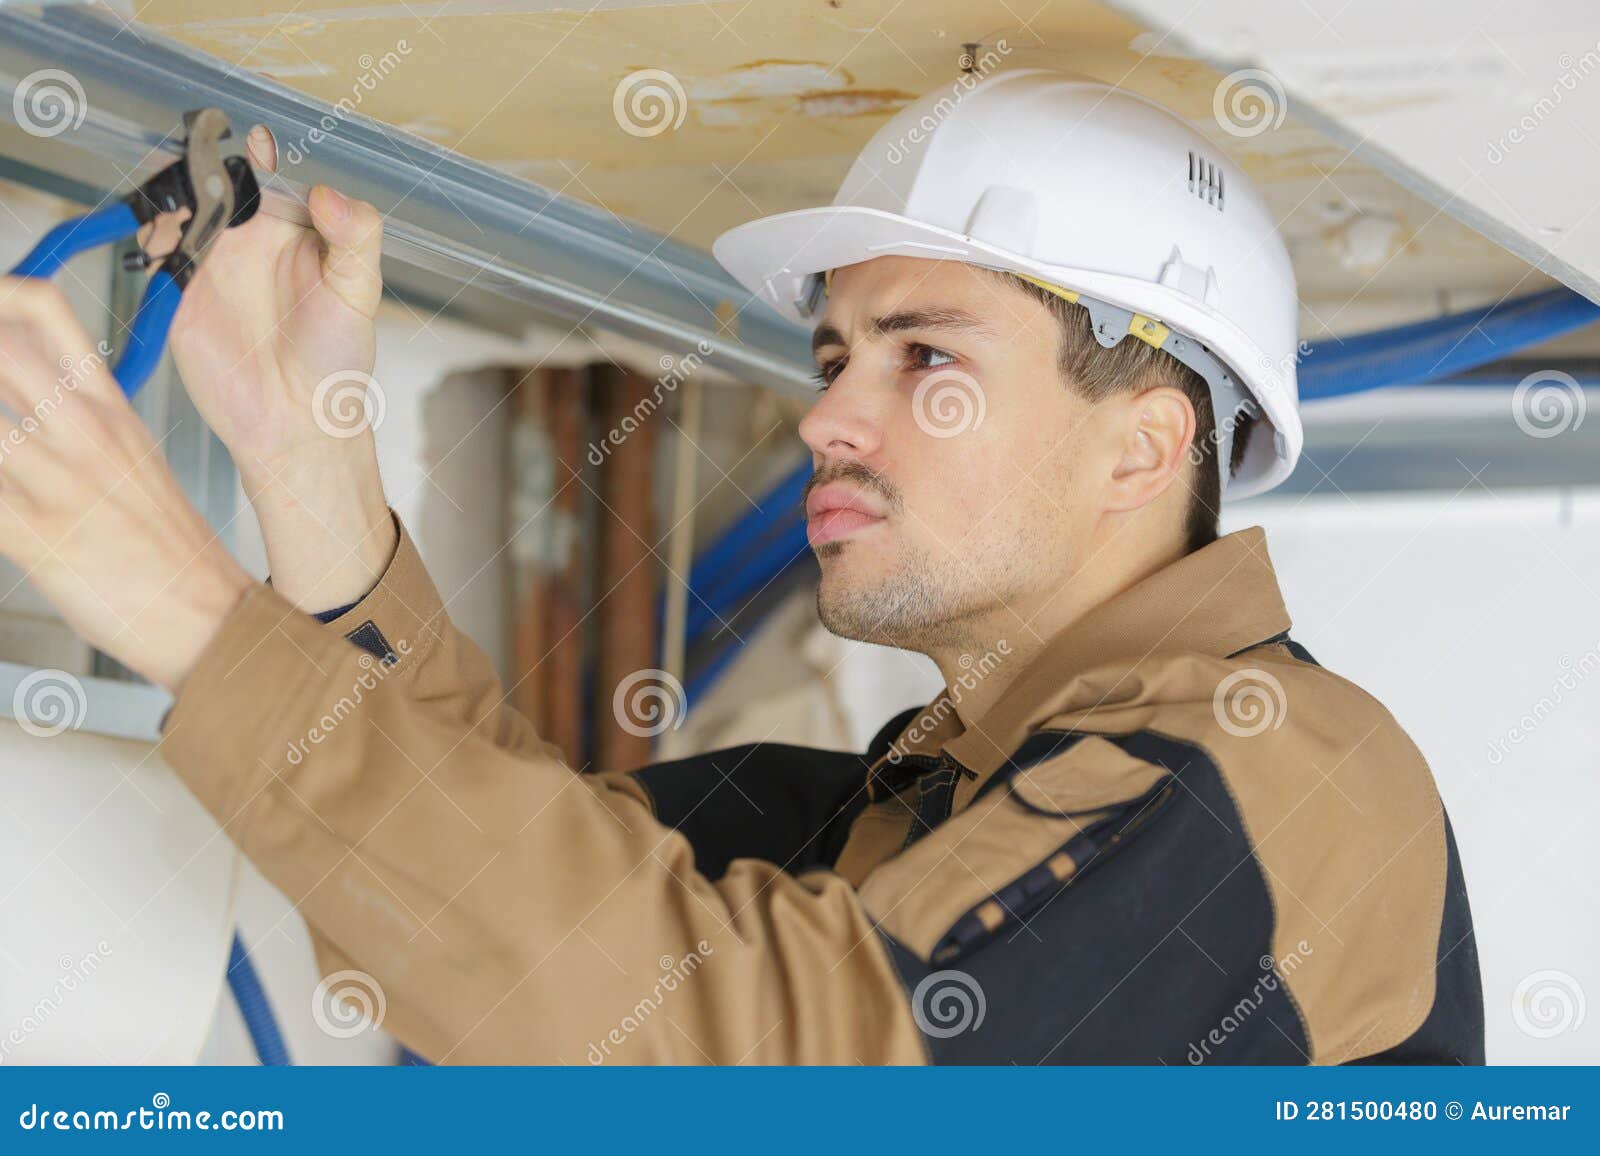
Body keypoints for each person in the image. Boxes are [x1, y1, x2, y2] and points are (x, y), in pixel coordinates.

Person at [0, 70, 1482, 1064]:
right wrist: (299, 452)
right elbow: (513, 912)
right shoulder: (891, 812)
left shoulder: (1275, 771)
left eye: (928, 359)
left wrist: (188, 614)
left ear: (1144, 448)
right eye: (837, 355)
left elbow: (764, 1055)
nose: (826, 415)